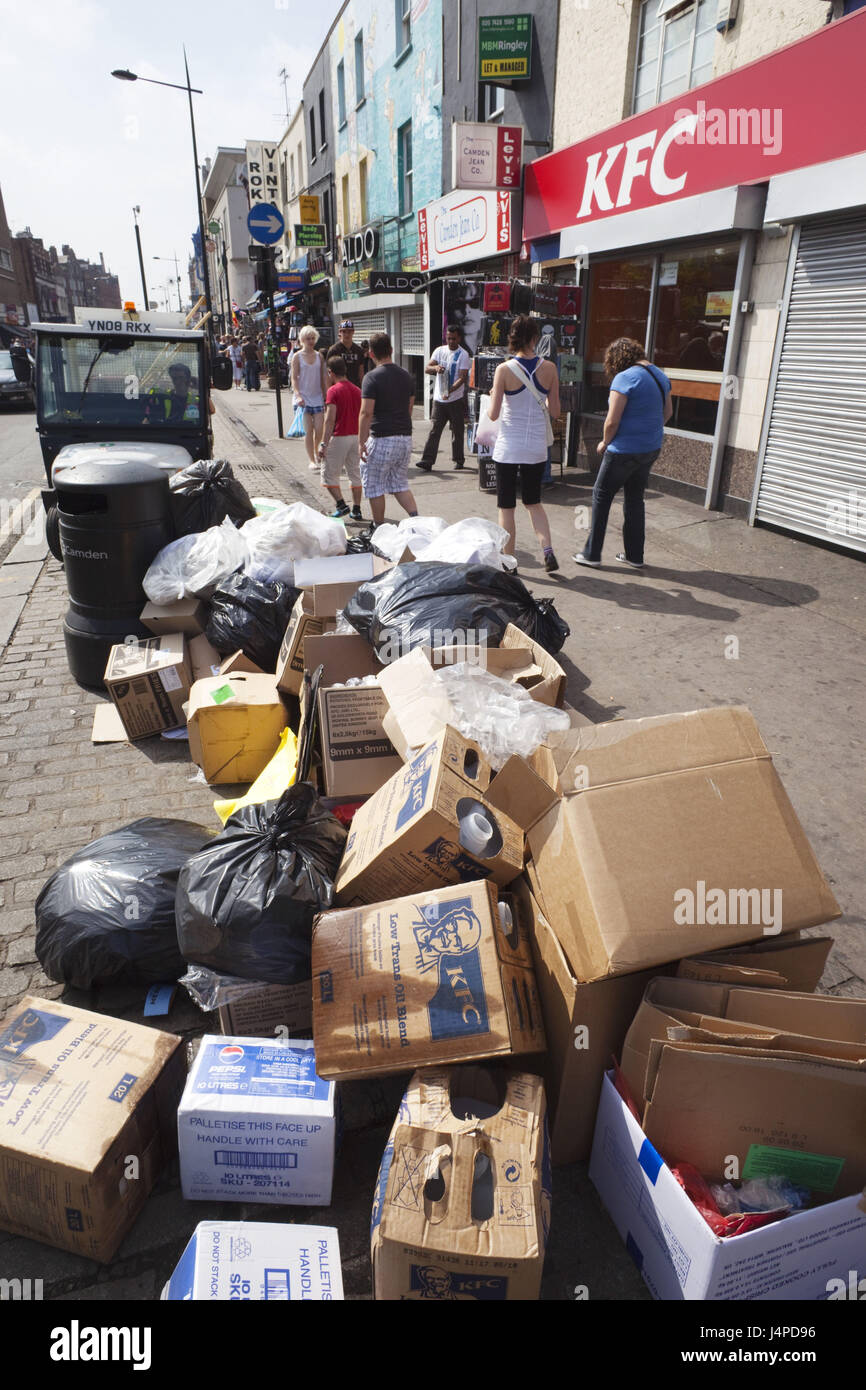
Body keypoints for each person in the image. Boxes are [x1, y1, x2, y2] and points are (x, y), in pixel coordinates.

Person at [574, 337, 672, 570]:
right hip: (650, 448)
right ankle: (634, 556)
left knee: (601, 495)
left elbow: (612, 420)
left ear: (617, 359)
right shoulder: (660, 375)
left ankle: (592, 554)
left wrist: (605, 442)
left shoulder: (625, 378)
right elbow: (666, 413)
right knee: (635, 499)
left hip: (623, 450)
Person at [486, 315, 560, 573]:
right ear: (534, 338)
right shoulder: (549, 368)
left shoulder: (503, 370)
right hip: (537, 447)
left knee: (506, 507)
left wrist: (495, 395)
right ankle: (548, 550)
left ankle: (509, 562)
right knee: (533, 503)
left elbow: (493, 415)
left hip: (508, 447)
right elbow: (556, 411)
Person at [358, 332, 419, 528]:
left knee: (374, 486)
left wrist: (361, 442)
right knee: (399, 484)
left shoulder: (371, 378)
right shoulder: (407, 376)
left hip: (382, 437)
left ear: (370, 353)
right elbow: (409, 409)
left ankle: (378, 528)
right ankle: (417, 521)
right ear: (391, 350)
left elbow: (366, 413)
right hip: (404, 438)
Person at [417, 325, 470, 472]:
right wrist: (436, 368)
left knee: (457, 431)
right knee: (434, 430)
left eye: (453, 338)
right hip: (439, 401)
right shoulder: (439, 351)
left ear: (459, 338)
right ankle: (427, 460)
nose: (451, 341)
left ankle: (458, 460)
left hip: (455, 400)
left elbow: (462, 377)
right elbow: (427, 368)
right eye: (448, 338)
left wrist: (450, 390)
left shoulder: (463, 354)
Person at [317, 356, 364, 522]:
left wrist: (323, 444)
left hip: (339, 437)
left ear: (330, 372)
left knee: (328, 475)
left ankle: (341, 505)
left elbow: (330, 420)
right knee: (355, 474)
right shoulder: (357, 390)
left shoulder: (333, 391)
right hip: (355, 436)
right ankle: (356, 509)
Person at [291, 325, 328, 469]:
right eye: (308, 338)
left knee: (320, 429)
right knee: (308, 431)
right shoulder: (297, 356)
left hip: (317, 397)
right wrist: (298, 395)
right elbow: (294, 378)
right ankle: (312, 460)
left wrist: (326, 396)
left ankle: (316, 448)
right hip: (304, 399)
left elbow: (323, 377)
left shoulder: (319, 356)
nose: (311, 341)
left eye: (313, 338)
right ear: (302, 340)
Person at [145, 362, 215, 423]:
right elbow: (148, 417)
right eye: (174, 378)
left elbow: (211, 411)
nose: (177, 381)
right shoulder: (161, 398)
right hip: (164, 432)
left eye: (181, 377)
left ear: (188, 379)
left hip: (189, 434)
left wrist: (200, 388)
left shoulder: (195, 400)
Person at [325, 319, 367, 387]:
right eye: (344, 331)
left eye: (349, 331)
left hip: (355, 388)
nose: (347, 334)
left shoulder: (359, 350)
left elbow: (361, 373)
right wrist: (328, 392)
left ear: (353, 332)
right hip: (338, 389)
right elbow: (328, 373)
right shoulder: (333, 350)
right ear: (340, 332)